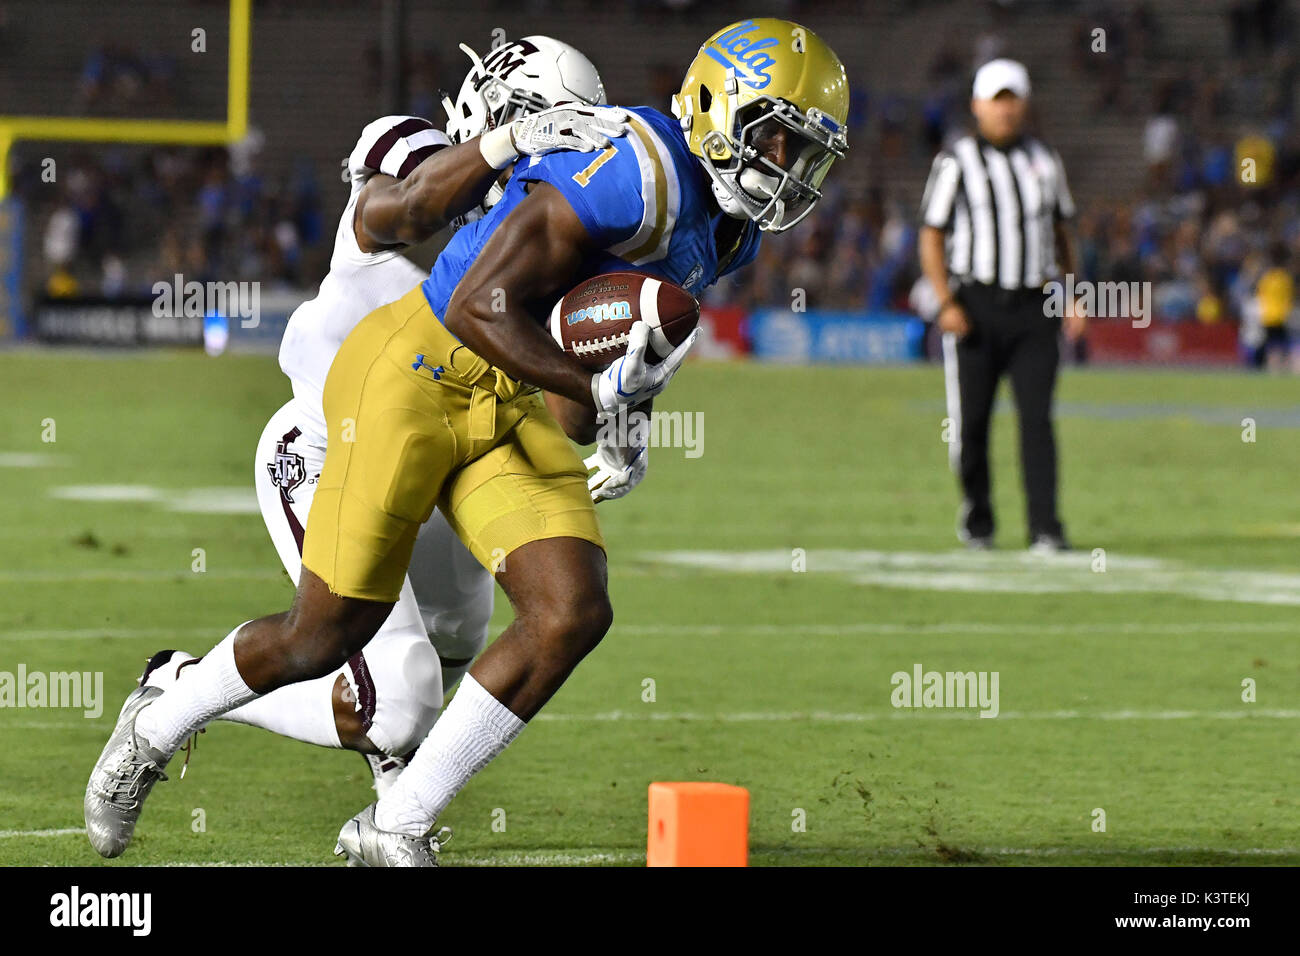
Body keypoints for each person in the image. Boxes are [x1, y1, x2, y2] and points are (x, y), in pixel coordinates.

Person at [86, 17, 850, 866]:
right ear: (718, 104)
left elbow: (592, 370)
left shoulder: (725, 227)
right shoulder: (637, 176)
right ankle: (161, 719)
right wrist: (591, 379)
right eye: (777, 141)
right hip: (414, 376)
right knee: (323, 635)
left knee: (571, 609)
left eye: (805, 155)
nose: (788, 171)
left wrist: (622, 421)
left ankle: (397, 823)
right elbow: (474, 305)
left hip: (505, 401)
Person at [138, 37, 630, 800]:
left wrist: (624, 384)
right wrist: (501, 146)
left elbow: (571, 416)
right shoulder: (397, 205)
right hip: (325, 452)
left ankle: (384, 767)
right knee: (394, 695)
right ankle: (182, 692)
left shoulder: (530, 245)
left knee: (457, 646)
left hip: (443, 459)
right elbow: (414, 202)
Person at [917, 58, 1083, 553]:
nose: (1005, 110)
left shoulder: (1045, 159)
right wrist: (945, 300)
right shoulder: (956, 161)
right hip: (976, 306)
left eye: (1013, 99)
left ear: (1025, 104)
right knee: (971, 425)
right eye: (997, 99)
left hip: (1034, 307)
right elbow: (931, 234)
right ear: (977, 105)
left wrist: (1074, 294)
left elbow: (1062, 232)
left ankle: (1046, 528)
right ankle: (979, 521)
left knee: (1037, 420)